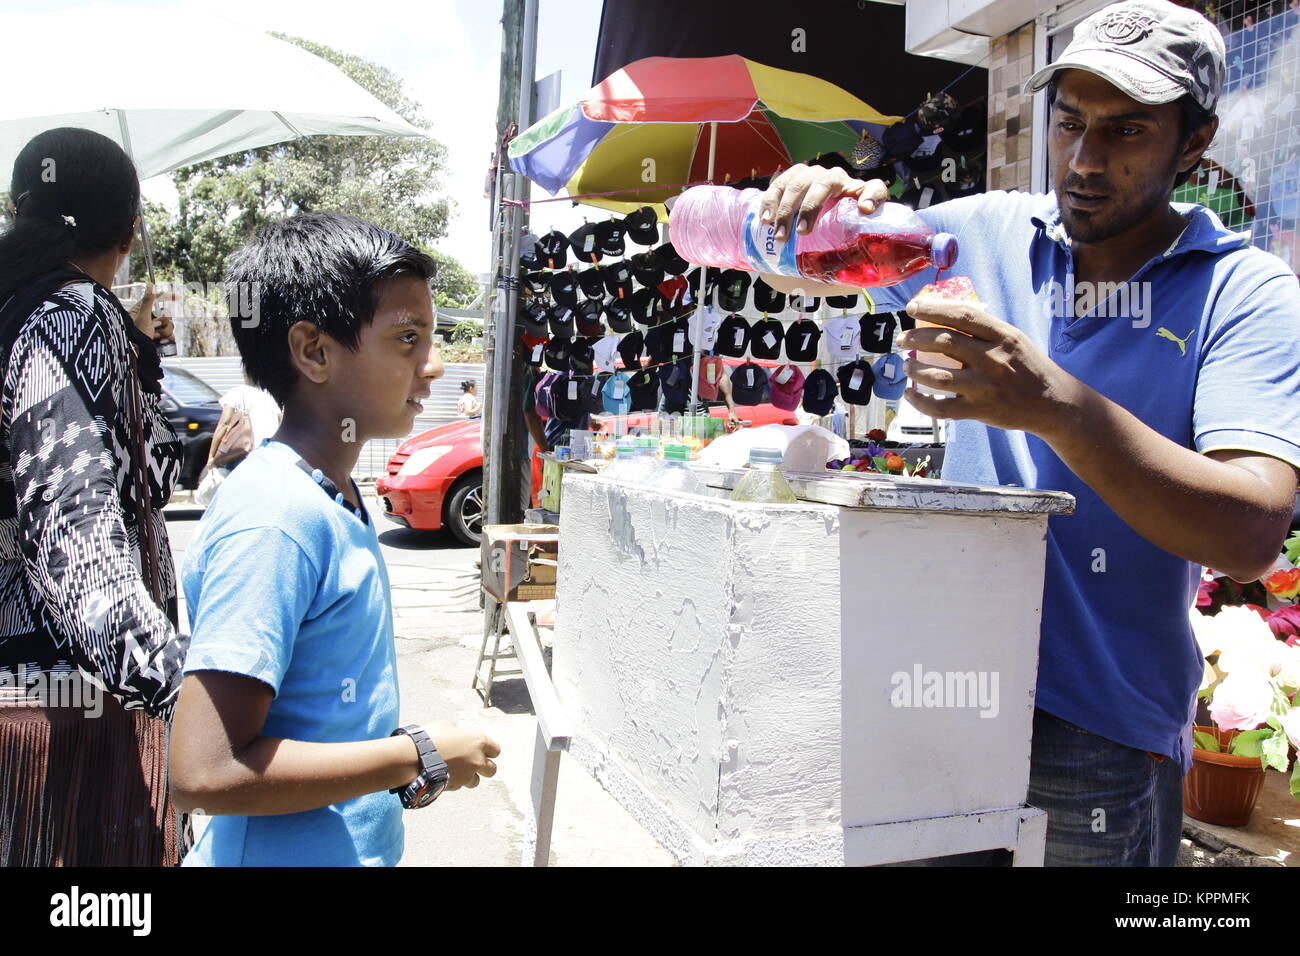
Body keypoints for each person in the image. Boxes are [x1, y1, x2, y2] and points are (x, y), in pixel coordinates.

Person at [758, 0, 1300, 866]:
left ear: (1194, 143)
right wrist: (806, 215)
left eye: (1126, 132)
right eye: (1069, 123)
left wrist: (1049, 403)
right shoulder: (980, 234)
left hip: (1098, 730)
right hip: (934, 698)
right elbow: (809, 273)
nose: (1084, 161)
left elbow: (1251, 533)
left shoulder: (1246, 294)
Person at [169, 212, 500, 866]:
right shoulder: (277, 518)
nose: (432, 366)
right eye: (408, 338)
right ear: (314, 351)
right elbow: (205, 771)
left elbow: (324, 719)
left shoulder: (333, 494)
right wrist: (419, 753)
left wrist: (400, 764)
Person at [0, 128, 187, 865]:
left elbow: (144, 478)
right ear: (131, 231)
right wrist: (183, 685)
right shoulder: (72, 316)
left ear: (18, 210)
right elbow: (75, 535)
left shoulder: (25, 309)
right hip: (62, 722)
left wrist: (139, 356)